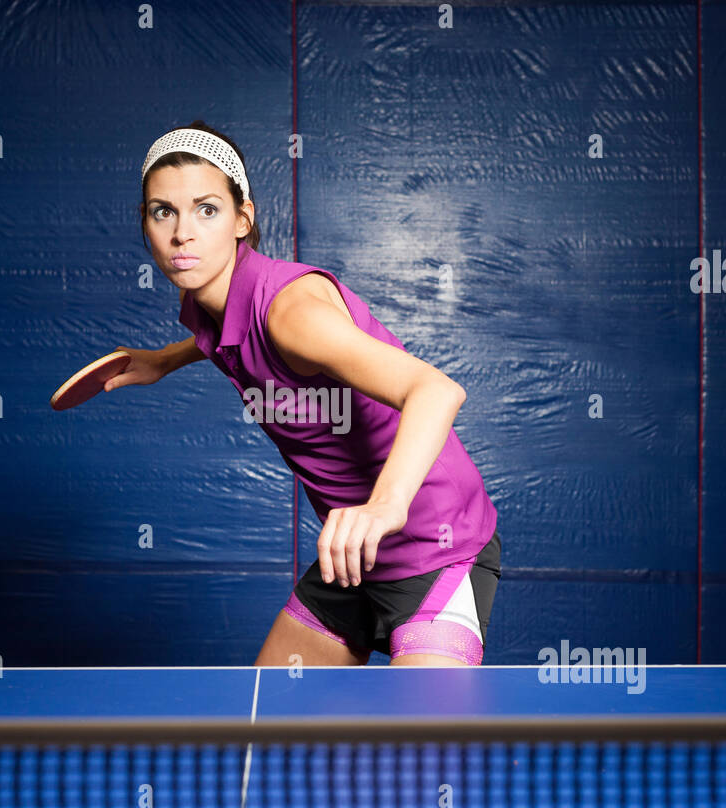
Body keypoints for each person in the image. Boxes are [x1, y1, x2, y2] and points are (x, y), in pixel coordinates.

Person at [108, 120, 501, 667]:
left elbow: (435, 390)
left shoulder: (291, 313)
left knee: (422, 751)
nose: (182, 234)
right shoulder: (208, 305)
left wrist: (383, 506)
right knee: (271, 729)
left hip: (435, 545)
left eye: (206, 209)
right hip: (354, 556)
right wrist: (166, 360)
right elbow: (232, 338)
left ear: (243, 218)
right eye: (162, 212)